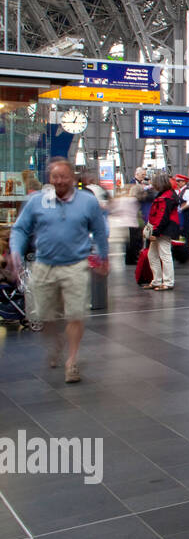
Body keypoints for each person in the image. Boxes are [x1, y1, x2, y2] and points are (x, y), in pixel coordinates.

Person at [8, 158, 109, 383]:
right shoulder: (37, 201)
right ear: (49, 179)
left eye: (64, 176)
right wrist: (16, 251)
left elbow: (99, 230)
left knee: (75, 313)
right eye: (55, 177)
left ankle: (72, 361)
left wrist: (103, 255)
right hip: (44, 265)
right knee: (44, 315)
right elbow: (20, 229)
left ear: (72, 178)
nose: (60, 181)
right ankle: (55, 343)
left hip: (76, 265)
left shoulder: (87, 202)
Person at [144, 172, 180, 291]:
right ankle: (157, 281)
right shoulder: (167, 195)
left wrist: (155, 232)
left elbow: (162, 216)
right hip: (162, 228)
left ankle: (167, 282)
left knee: (164, 255)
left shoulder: (166, 197)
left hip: (163, 229)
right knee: (153, 255)